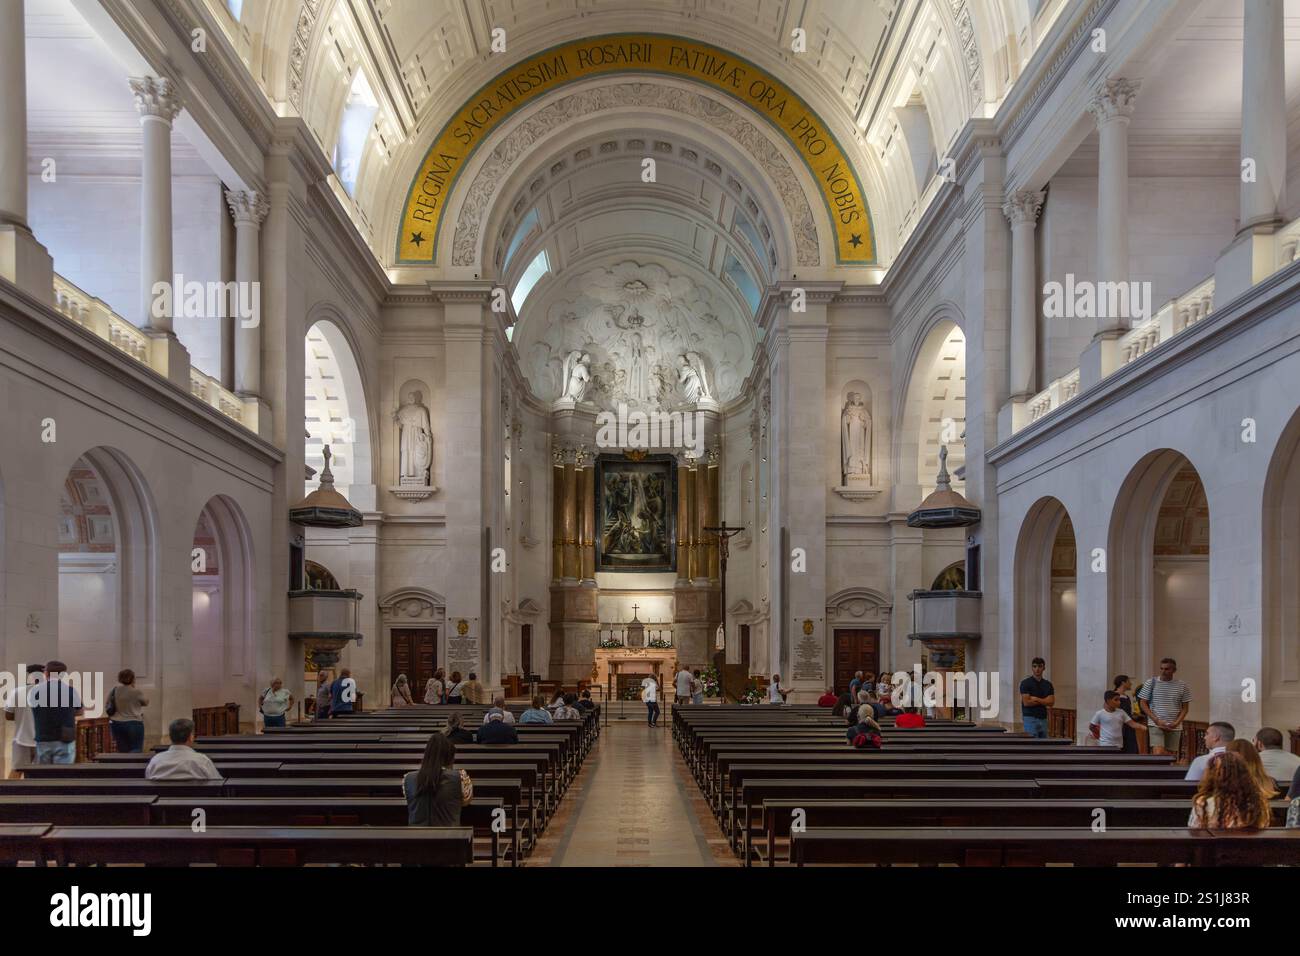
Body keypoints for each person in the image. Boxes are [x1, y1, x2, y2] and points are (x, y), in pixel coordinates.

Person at [1188, 751, 1271, 830]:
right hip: (1251, 845)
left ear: (1211, 776)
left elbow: (1195, 831)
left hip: (1214, 844)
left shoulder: (1203, 802)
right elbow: (1264, 825)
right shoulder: (1258, 802)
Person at [403, 733, 473, 826]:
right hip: (449, 837)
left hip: (417, 838)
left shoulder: (408, 779)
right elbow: (465, 802)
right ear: (449, 757)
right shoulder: (460, 777)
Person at [29, 661, 84, 764]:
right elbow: (80, 711)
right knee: (62, 775)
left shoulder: (35, 690)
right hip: (65, 737)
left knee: (43, 774)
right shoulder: (70, 690)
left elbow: (33, 709)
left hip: (43, 736)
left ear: (46, 673)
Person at [1136, 657, 1191, 756]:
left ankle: (1166, 771)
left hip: (1174, 724)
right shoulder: (1151, 682)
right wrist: (1156, 720)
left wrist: (1176, 722)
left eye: (1167, 669)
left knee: (1171, 756)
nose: (1163, 671)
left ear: (1174, 670)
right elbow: (1143, 703)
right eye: (1161, 668)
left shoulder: (1182, 685)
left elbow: (1185, 708)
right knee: (1158, 753)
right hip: (1156, 723)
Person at [145, 718, 222, 780]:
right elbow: (217, 782)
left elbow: (148, 780)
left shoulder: (156, 761)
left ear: (170, 737)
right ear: (191, 737)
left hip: (163, 799)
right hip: (196, 799)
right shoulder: (202, 761)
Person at [3, 664, 45, 776]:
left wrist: (22, 716)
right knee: (42, 774)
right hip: (43, 740)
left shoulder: (17, 692)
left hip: (21, 738)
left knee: (17, 771)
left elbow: (8, 715)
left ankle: (8, 793)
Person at [1019, 657, 1054, 738]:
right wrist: (1044, 701)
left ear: (1044, 668)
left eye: (1040, 666)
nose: (1037, 669)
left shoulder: (1048, 684)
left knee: (1044, 745)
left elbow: (1051, 702)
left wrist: (1036, 699)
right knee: (1031, 743)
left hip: (1043, 718)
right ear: (1032, 668)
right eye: (1034, 666)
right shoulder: (1025, 683)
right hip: (1030, 717)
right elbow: (1026, 703)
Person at [1112, 675, 1139, 753]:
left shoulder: (1127, 697)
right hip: (1119, 727)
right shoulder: (1113, 695)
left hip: (1129, 727)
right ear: (1123, 683)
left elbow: (1127, 713)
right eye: (1129, 681)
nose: (1130, 683)